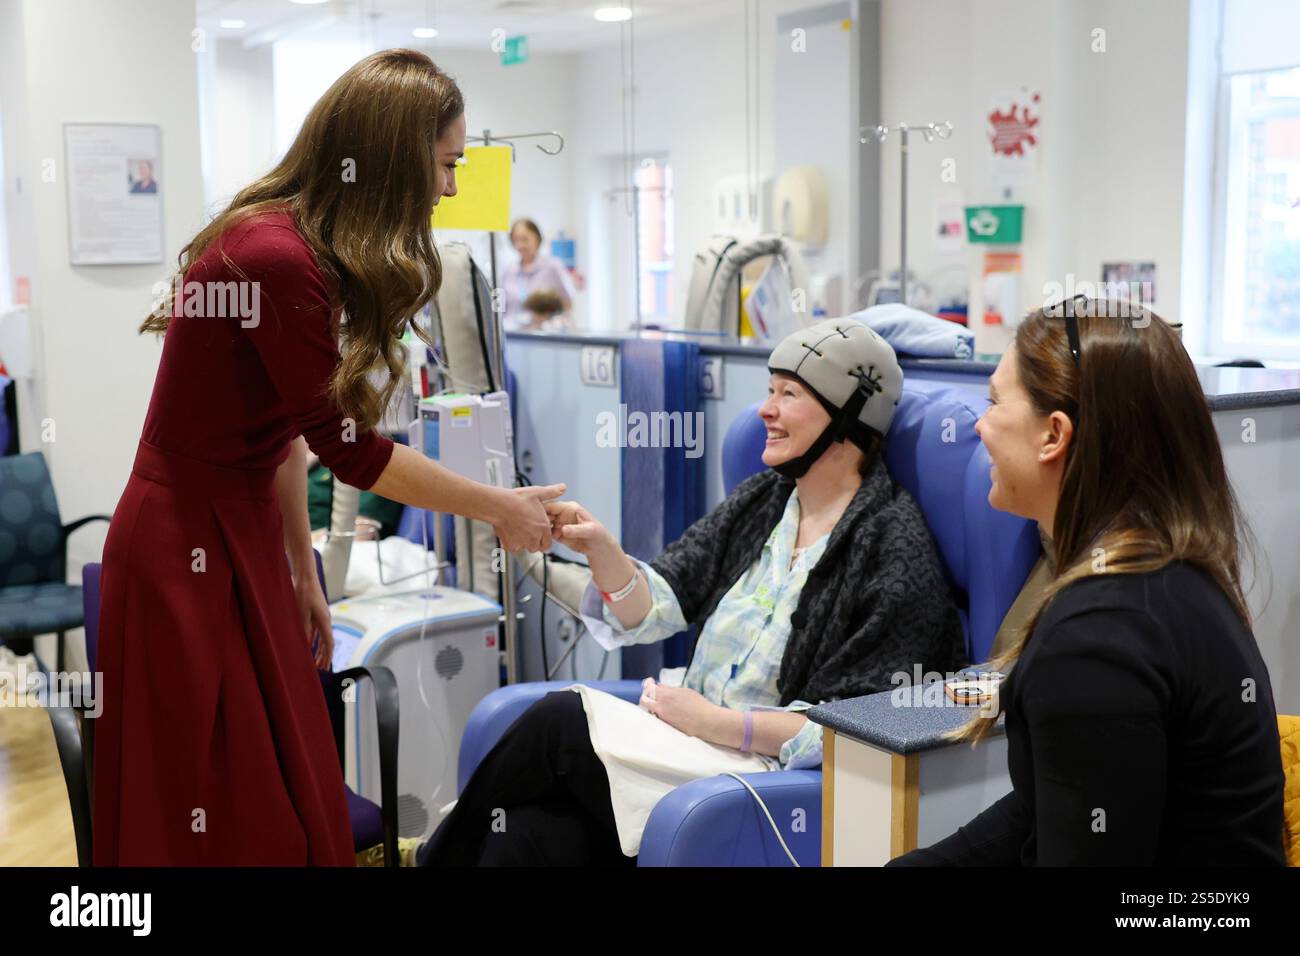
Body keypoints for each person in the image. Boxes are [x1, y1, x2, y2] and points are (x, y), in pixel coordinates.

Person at [96, 49, 564, 866]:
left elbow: (282, 434)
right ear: (393, 152)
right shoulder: (274, 257)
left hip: (237, 526)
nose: (451, 187)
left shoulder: (301, 247)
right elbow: (353, 454)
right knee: (216, 798)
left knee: (279, 778)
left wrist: (301, 571)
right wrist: (501, 508)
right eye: (448, 163)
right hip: (183, 545)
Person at [419, 317, 967, 866]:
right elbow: (660, 603)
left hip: (760, 781)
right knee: (517, 834)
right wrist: (601, 549)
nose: (765, 410)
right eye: (769, 390)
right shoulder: (765, 503)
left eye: (789, 394)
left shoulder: (894, 547)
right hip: (686, 752)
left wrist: (718, 723)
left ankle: (430, 860)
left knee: (559, 722)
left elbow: (870, 725)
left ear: (848, 418)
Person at [890, 297, 1286, 866]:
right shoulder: (1167, 567)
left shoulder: (1098, 636)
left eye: (995, 401)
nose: (978, 425)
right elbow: (1044, 809)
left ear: (1054, 435)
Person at [500, 218, 573, 331]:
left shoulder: (552, 267)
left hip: (543, 336)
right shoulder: (508, 271)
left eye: (525, 239)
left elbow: (567, 303)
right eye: (516, 240)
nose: (520, 245)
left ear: (537, 238)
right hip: (513, 336)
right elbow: (501, 308)